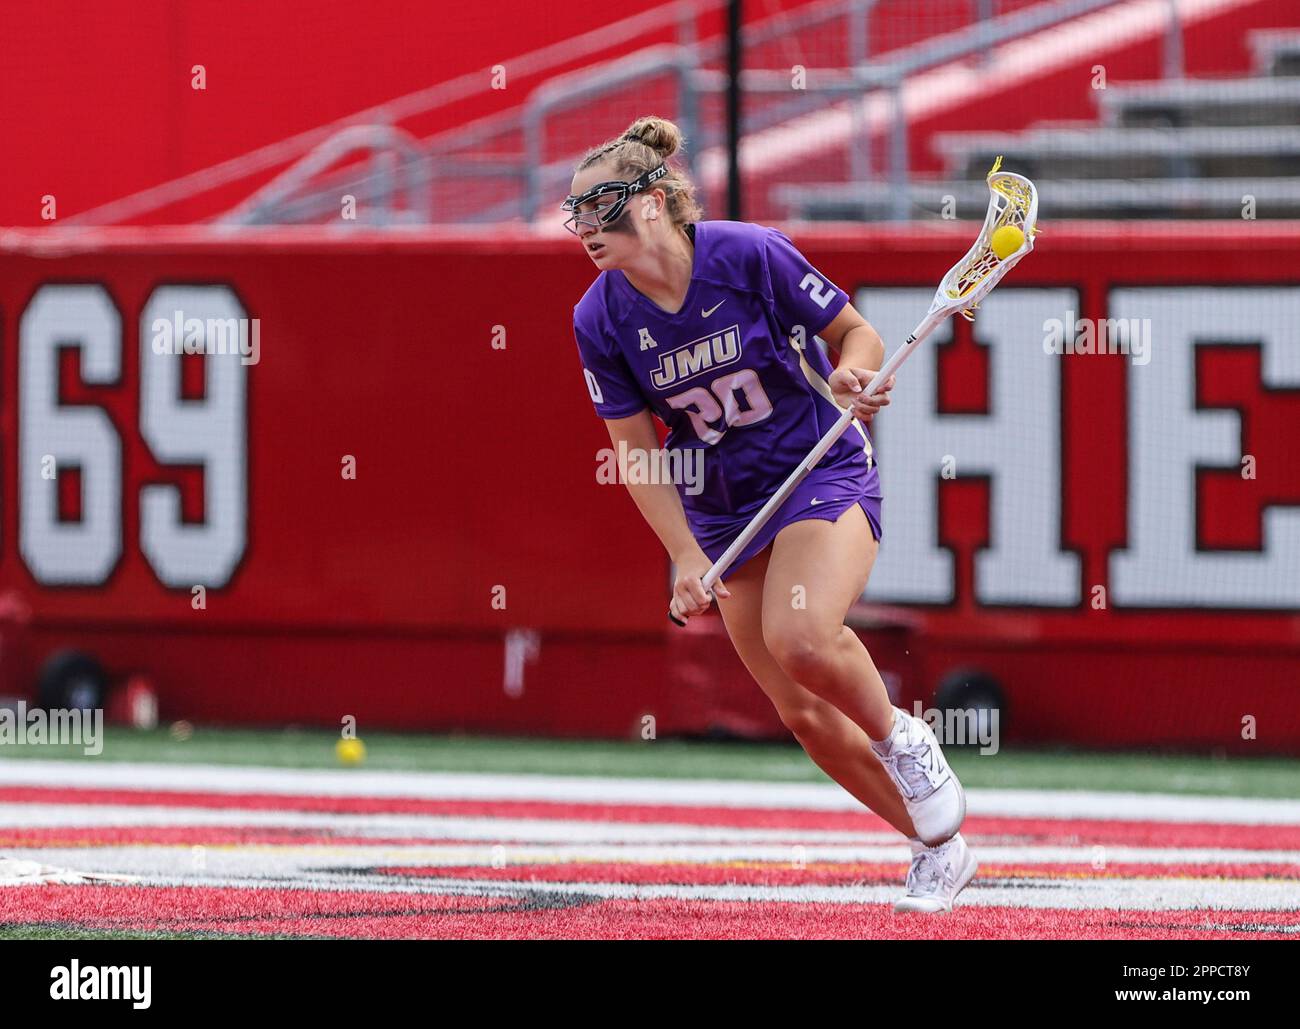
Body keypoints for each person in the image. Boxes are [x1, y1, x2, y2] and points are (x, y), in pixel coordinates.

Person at [566, 115, 975, 913]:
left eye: (600, 207)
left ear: (652, 202)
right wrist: (684, 552)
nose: (584, 228)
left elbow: (854, 334)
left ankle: (904, 736)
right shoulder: (599, 317)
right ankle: (939, 847)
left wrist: (853, 379)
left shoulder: (746, 253)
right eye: (575, 213)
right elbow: (635, 448)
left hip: (817, 470)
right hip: (723, 510)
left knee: (802, 636)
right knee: (807, 716)